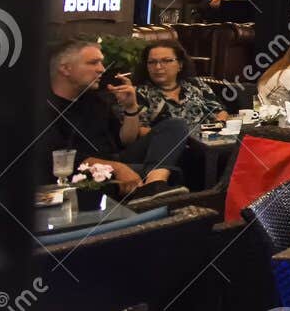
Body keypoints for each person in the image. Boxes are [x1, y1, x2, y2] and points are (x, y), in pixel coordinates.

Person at [43, 39, 191, 200]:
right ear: (65, 68)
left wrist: (130, 108)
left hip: (114, 160)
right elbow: (59, 157)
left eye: (101, 63)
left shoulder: (94, 99)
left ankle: (154, 184)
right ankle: (151, 190)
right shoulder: (42, 108)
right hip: (81, 172)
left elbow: (124, 141)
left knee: (175, 125)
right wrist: (118, 168)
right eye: (93, 63)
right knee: (175, 173)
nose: (101, 69)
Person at [134, 41, 226, 133]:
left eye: (166, 61)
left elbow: (219, 112)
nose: (158, 67)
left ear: (180, 65)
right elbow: (139, 131)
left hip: (207, 140)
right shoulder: (140, 93)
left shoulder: (195, 84)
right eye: (152, 62)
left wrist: (217, 126)